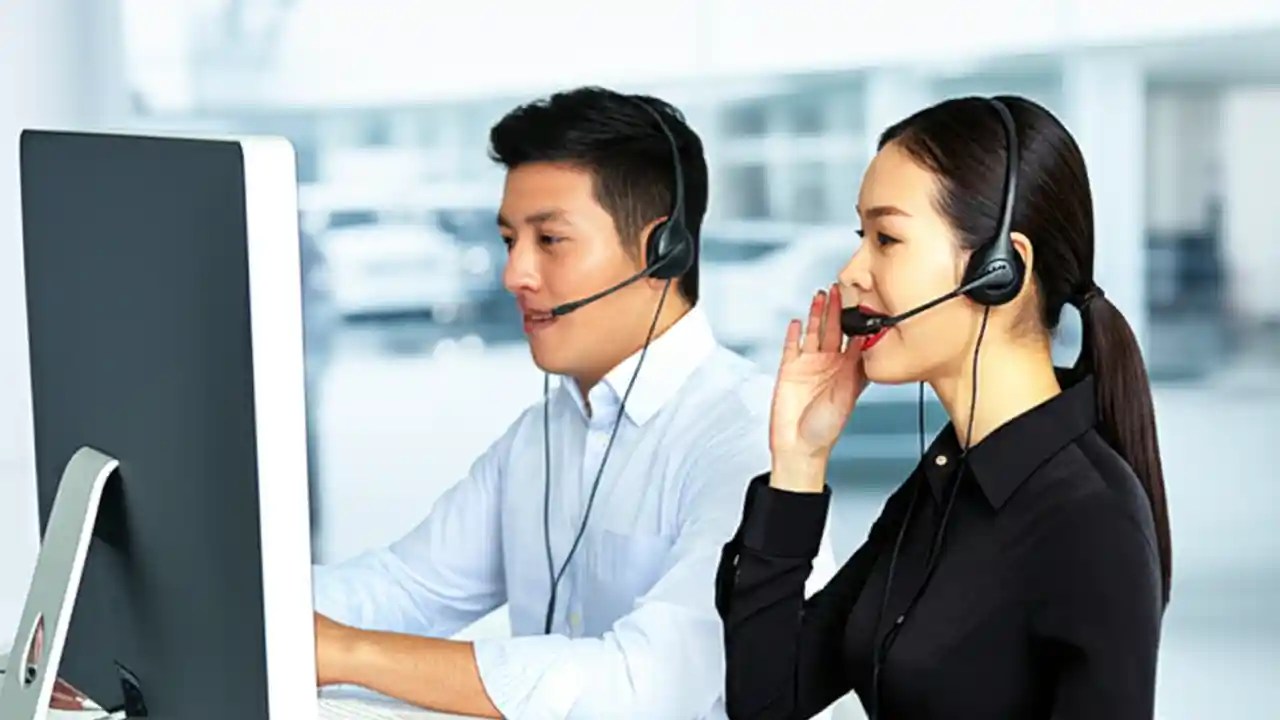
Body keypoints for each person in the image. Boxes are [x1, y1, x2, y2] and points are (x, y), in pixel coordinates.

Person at [310, 86, 834, 719]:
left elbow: (647, 685)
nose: (515, 275)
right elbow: (402, 588)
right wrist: (241, 603)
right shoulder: (543, 437)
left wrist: (350, 654)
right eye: (509, 241)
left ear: (660, 251)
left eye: (550, 241)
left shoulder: (750, 438)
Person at [715, 95, 1171, 720]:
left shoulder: (1091, 521)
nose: (852, 272)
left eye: (887, 238)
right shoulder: (945, 481)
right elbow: (767, 702)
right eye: (861, 237)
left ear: (1000, 270)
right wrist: (799, 462)